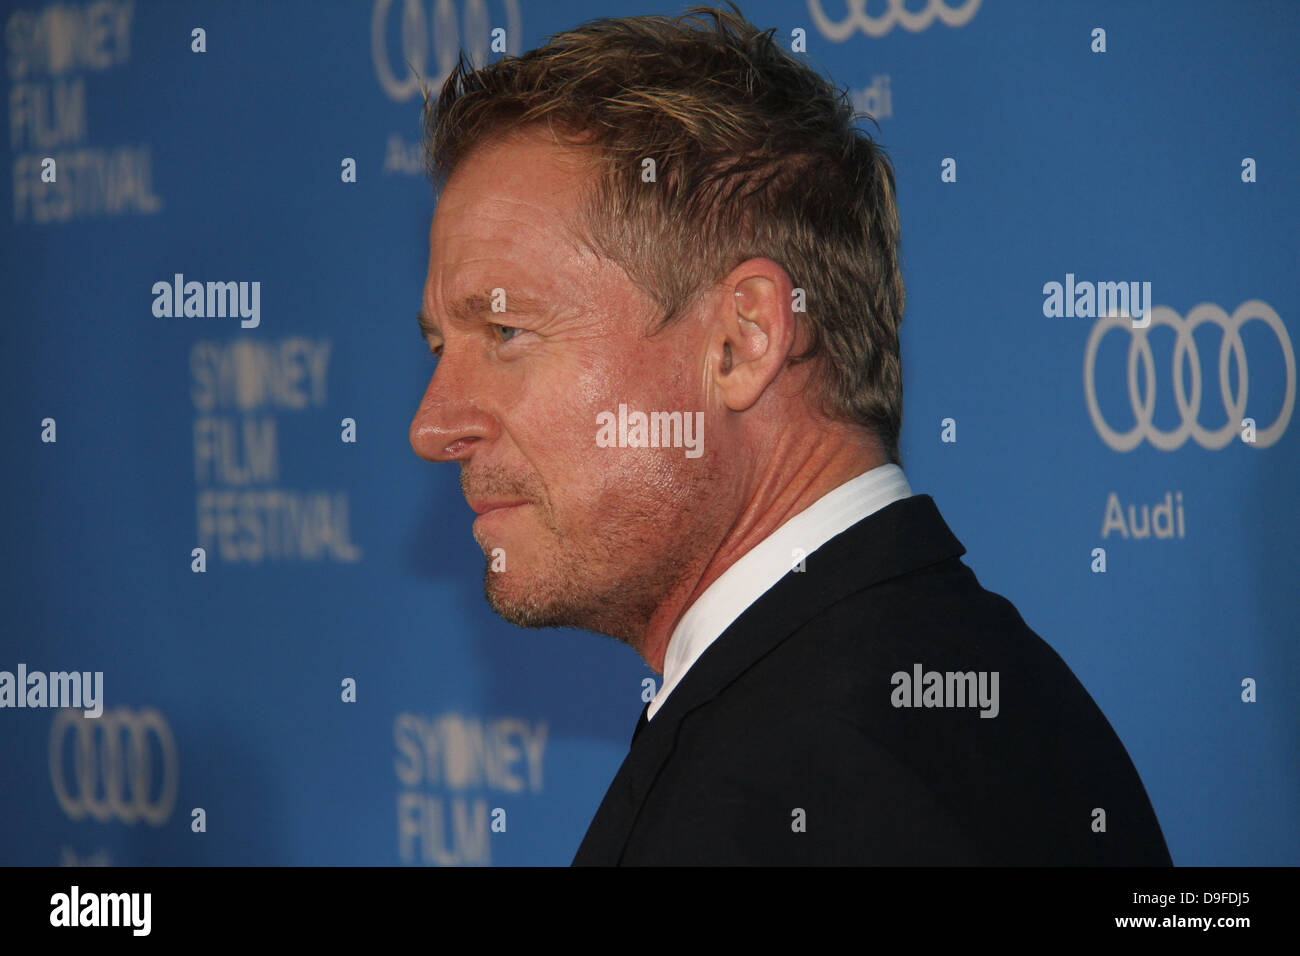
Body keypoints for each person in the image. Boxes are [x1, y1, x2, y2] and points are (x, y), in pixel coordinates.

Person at [408, 4, 1172, 865]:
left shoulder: (817, 781)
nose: (433, 426)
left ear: (743, 341)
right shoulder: (958, 692)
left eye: (506, 332)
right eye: (439, 348)